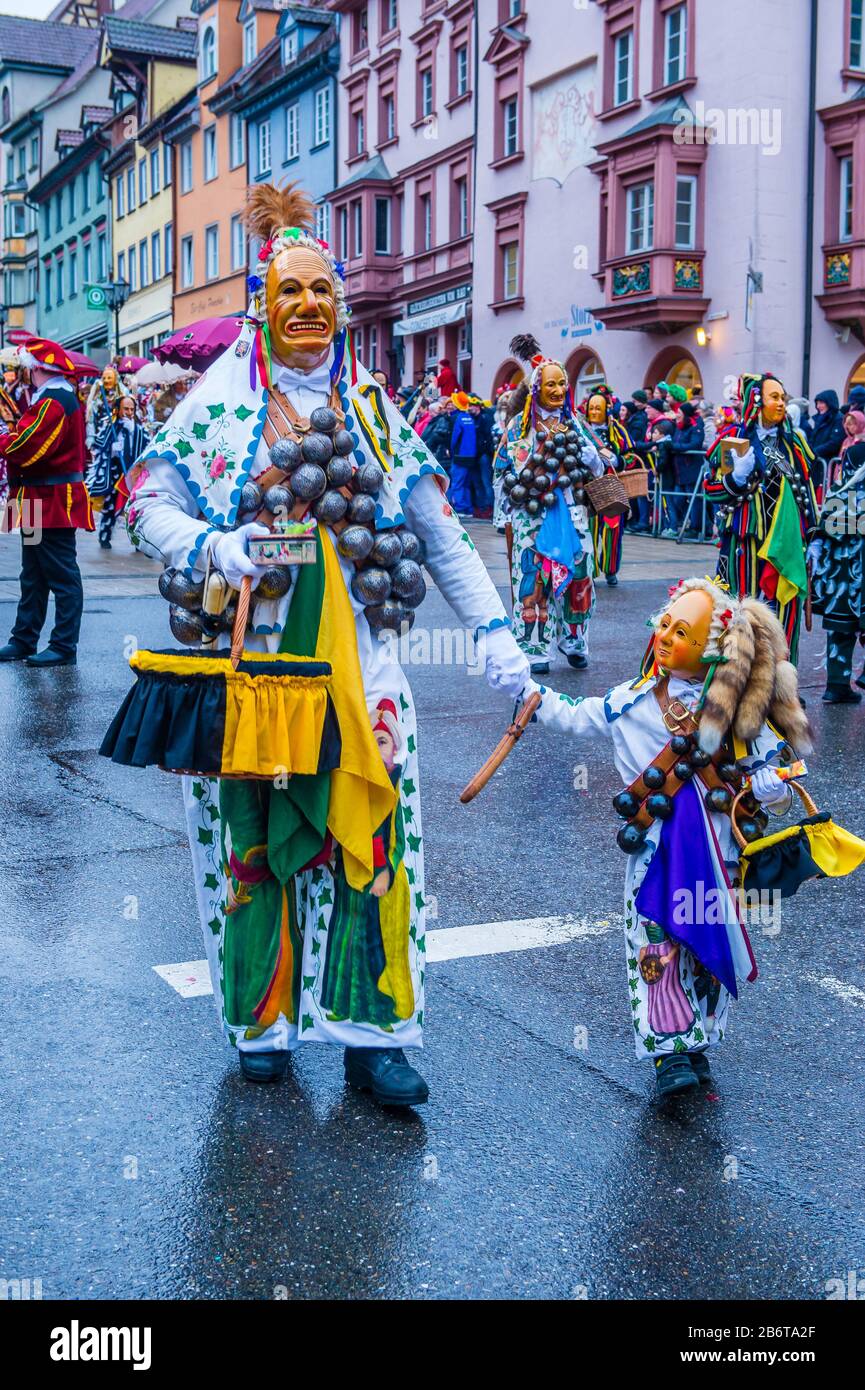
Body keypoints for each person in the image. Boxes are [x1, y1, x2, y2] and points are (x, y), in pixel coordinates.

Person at [116, 180, 529, 1107]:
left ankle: (373, 1032)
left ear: (340, 309)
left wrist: (499, 643)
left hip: (364, 668)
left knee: (371, 845)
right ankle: (260, 1023)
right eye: (289, 293)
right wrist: (214, 543)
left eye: (322, 293)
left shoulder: (374, 411)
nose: (308, 307)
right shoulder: (219, 408)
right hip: (253, 667)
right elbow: (144, 504)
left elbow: (439, 531)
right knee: (251, 845)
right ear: (261, 306)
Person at [526, 577, 816, 1099]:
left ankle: (696, 1039)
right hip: (656, 850)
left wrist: (771, 787)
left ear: (711, 652)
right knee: (655, 942)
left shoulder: (740, 711)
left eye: (680, 631)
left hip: (721, 850)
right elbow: (574, 715)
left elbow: (774, 777)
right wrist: (526, 694)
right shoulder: (631, 701)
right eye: (662, 624)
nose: (663, 636)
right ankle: (668, 1051)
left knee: (707, 944)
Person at [496, 333, 604, 676]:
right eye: (551, 385)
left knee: (578, 577)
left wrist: (593, 458)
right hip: (532, 513)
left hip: (572, 513)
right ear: (535, 390)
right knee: (533, 578)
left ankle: (574, 640)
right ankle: (534, 645)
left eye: (563, 384)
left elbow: (600, 466)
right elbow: (502, 469)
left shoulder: (575, 424)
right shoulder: (518, 428)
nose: (558, 391)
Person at [703, 372, 818, 664]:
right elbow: (713, 492)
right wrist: (736, 477)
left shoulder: (795, 446)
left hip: (787, 545)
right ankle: (739, 680)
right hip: (745, 546)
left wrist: (815, 538)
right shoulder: (733, 443)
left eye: (783, 397)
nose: (781, 403)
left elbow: (808, 493)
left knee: (785, 613)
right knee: (743, 613)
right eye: (774, 397)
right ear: (757, 401)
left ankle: (781, 685)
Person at [0, 337, 94, 667]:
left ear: (37, 368)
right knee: (34, 575)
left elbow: (26, 447)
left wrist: (4, 437)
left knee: (62, 576)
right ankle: (24, 638)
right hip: (36, 501)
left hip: (51, 502)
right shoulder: (51, 398)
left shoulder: (55, 401)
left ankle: (64, 645)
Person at [809, 438, 865, 703]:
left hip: (838, 581)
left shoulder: (839, 493)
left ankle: (837, 684)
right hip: (860, 577)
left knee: (840, 633)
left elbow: (824, 531)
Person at [580, 385, 636, 587]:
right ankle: (591, 570)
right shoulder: (580, 431)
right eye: (592, 408)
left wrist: (617, 459)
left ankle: (611, 570)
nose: (594, 412)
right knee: (591, 529)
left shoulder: (618, 431)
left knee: (612, 530)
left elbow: (632, 457)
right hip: (588, 487)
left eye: (599, 408)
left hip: (612, 488)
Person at [669, 401, 706, 537]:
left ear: (685, 414)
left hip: (691, 468)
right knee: (678, 499)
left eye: (679, 413)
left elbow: (695, 444)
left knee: (694, 499)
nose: (677, 415)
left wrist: (674, 447)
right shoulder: (679, 427)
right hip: (679, 470)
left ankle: (696, 527)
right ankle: (691, 521)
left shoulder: (695, 427)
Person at [809, 389, 845, 492]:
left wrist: (815, 451)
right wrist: (808, 450)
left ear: (830, 403)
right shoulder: (819, 419)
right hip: (818, 463)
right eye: (817, 403)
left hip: (829, 465)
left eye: (821, 403)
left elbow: (835, 442)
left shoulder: (838, 419)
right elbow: (813, 438)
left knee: (826, 494)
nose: (818, 406)